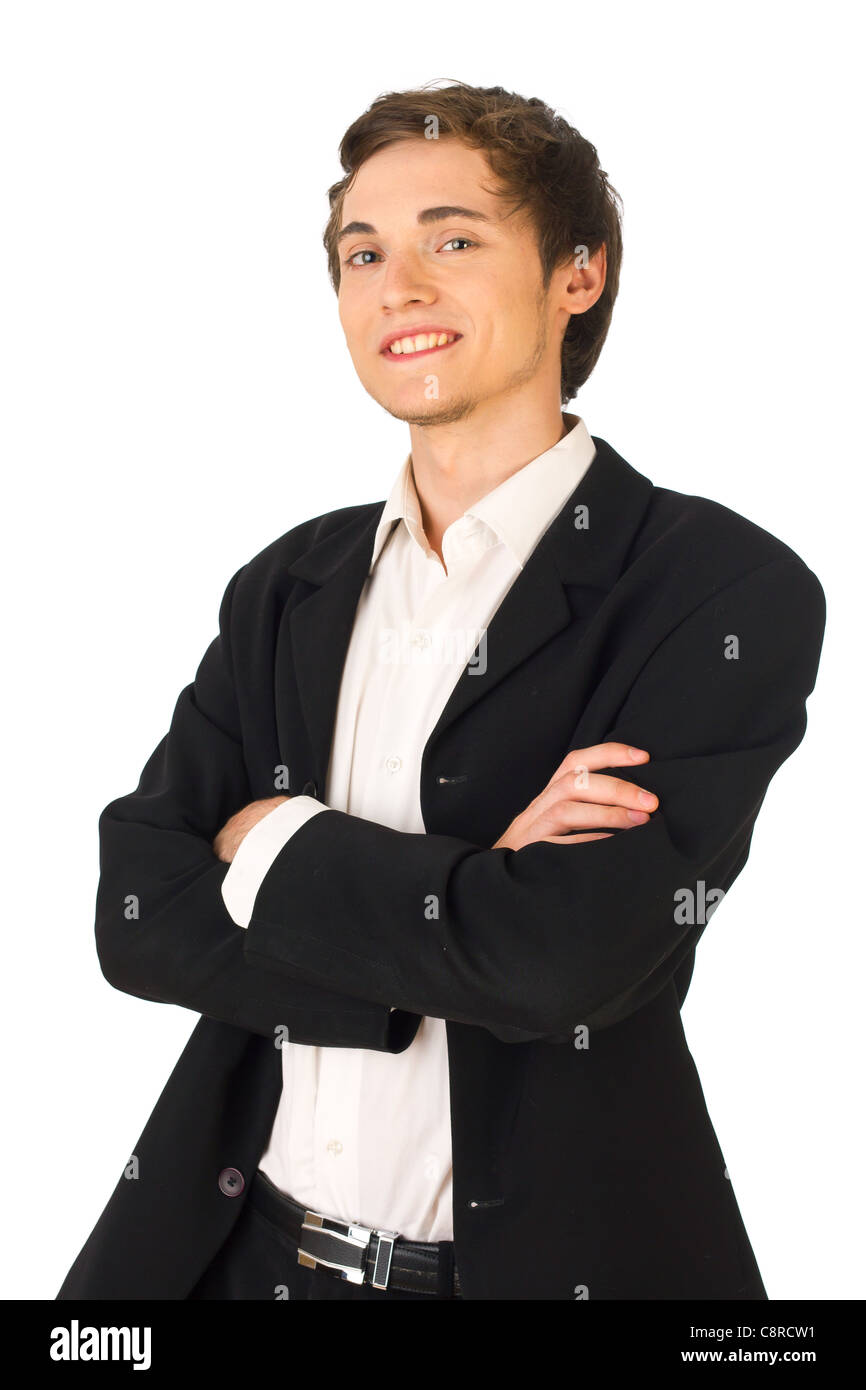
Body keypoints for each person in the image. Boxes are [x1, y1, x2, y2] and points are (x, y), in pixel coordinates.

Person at [57, 81, 825, 1301]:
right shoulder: (286, 583)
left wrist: (269, 841)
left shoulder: (716, 590)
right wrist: (474, 893)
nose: (395, 288)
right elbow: (139, 917)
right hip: (233, 1255)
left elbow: (562, 965)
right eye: (362, 253)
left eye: (450, 240)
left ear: (577, 273)